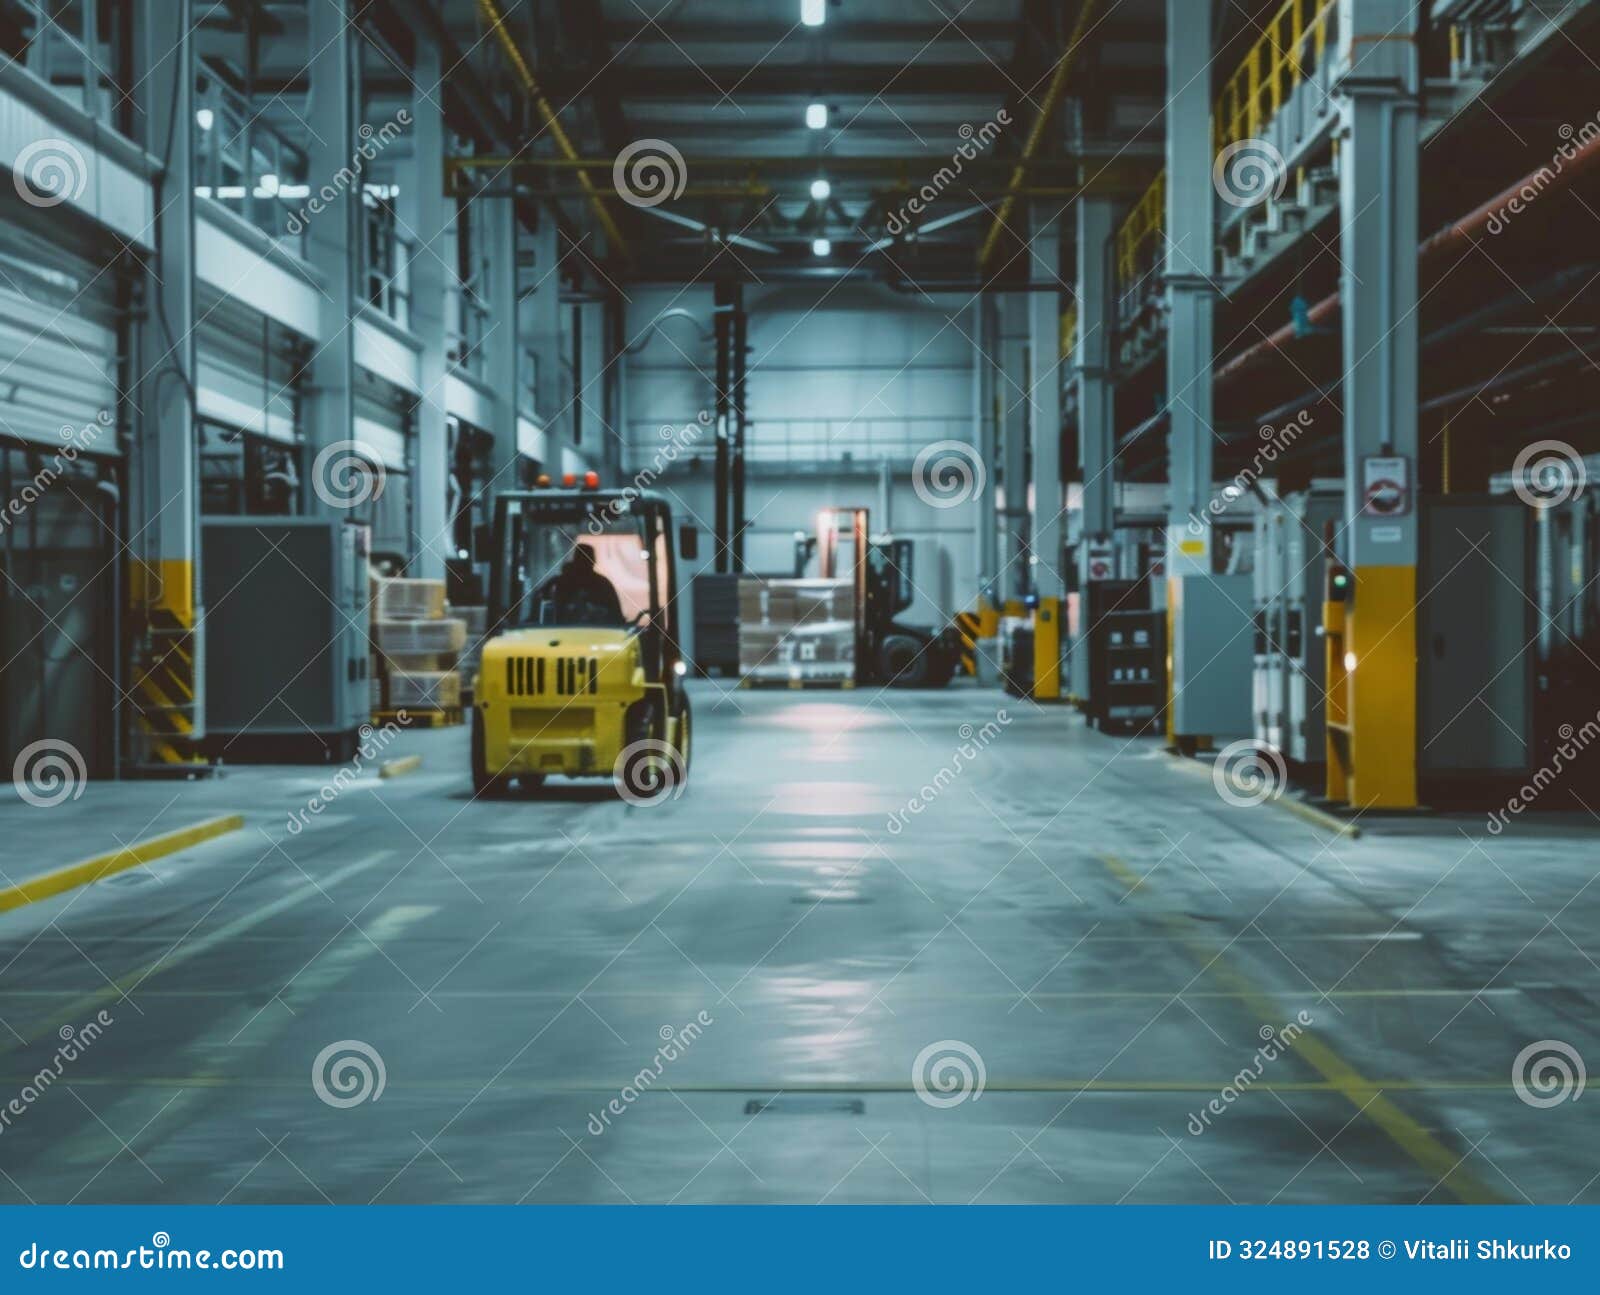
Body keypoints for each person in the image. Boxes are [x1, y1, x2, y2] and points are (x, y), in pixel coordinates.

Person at [531, 542, 623, 625]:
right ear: (593, 561)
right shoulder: (603, 584)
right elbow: (617, 617)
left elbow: (537, 610)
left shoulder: (558, 582)